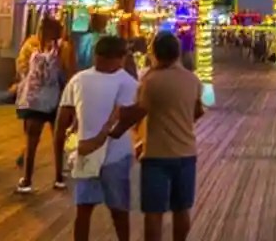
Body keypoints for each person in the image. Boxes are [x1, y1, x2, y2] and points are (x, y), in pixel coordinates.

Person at [111, 32, 204, 241]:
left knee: (154, 213)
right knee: (182, 210)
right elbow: (197, 112)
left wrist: (117, 119)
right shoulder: (192, 80)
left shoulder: (151, 81)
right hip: (186, 153)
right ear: (178, 53)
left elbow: (139, 111)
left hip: (156, 154)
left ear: (155, 54)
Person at [55, 35, 139, 241]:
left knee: (83, 212)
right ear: (121, 57)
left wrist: (58, 168)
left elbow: (61, 123)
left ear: (95, 55)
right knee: (119, 212)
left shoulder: (78, 79)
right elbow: (133, 120)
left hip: (85, 154)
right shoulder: (129, 83)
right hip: (117, 156)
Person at [16, 16, 70, 193]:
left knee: (34, 139)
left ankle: (28, 180)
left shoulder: (32, 45)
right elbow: (69, 71)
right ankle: (58, 177)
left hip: (35, 99)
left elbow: (22, 67)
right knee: (56, 138)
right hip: (53, 98)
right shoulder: (63, 48)